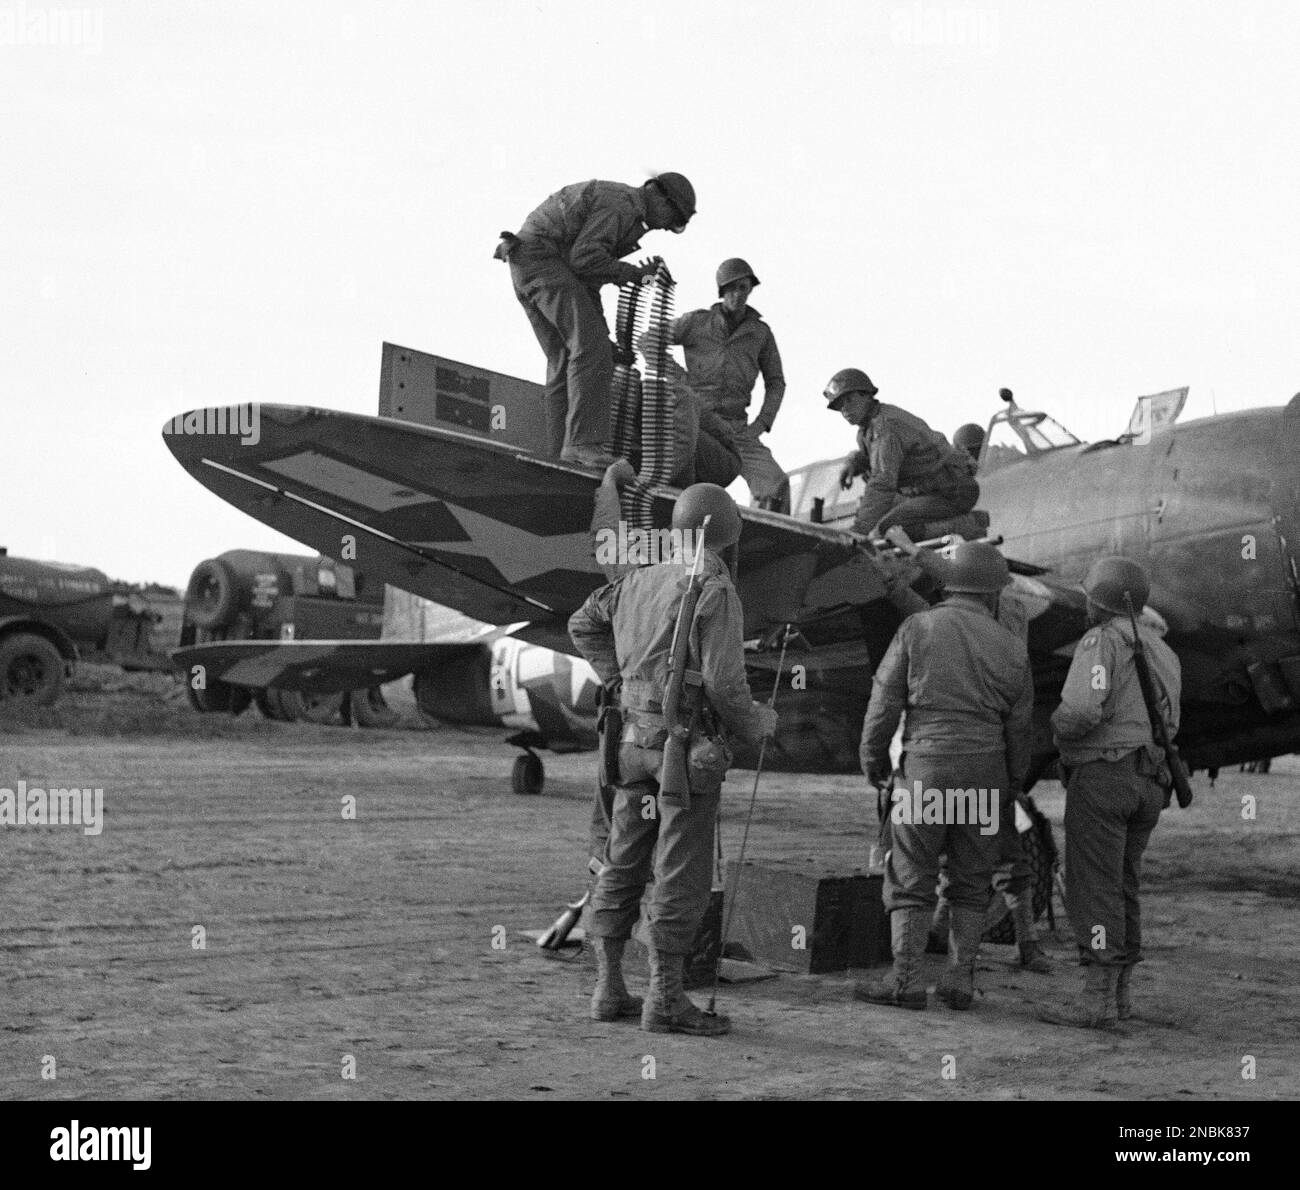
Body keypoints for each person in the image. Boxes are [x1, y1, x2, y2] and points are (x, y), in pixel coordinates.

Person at [568, 483, 776, 1035]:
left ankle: (608, 988)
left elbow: (581, 623)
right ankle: (664, 1000)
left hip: (629, 746)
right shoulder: (713, 586)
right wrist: (755, 726)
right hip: (682, 753)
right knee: (680, 870)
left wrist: (621, 681)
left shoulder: (637, 578)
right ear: (730, 533)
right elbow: (727, 684)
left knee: (623, 857)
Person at [856, 541, 1033, 1011]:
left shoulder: (918, 627)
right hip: (986, 774)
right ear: (993, 594)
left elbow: (884, 701)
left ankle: (907, 981)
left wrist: (873, 757)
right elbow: (1019, 727)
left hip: (926, 771)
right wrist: (1012, 782)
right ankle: (960, 977)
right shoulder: (1013, 648)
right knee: (972, 880)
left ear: (948, 584)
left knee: (911, 872)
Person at [884, 525, 1051, 973]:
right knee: (987, 864)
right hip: (995, 766)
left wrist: (903, 560)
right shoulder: (1008, 615)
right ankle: (978, 962)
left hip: (937, 759)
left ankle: (908, 973)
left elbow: (940, 620)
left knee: (916, 863)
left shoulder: (992, 615)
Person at [1040, 557, 1180, 1029]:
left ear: (1098, 601)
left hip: (1104, 779)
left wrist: (1056, 732)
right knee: (1123, 885)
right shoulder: (1164, 650)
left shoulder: (1102, 641)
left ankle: (1096, 998)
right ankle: (1120, 996)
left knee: (1092, 887)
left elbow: (1081, 708)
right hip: (1149, 783)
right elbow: (1171, 722)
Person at [494, 173, 697, 468]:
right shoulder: (622, 207)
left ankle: (561, 451)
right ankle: (582, 445)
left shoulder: (621, 206)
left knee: (565, 357)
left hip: (528, 263)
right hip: (542, 260)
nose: (666, 225)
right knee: (589, 350)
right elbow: (584, 259)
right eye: (672, 215)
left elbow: (585, 282)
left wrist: (604, 336)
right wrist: (633, 274)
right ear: (658, 196)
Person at [668, 258, 789, 510]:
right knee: (683, 484)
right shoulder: (696, 322)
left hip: (737, 428)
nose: (736, 294)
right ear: (721, 292)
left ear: (750, 289)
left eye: (742, 287)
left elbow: (776, 382)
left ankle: (759, 546)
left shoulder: (760, 333)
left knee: (775, 484)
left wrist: (762, 423)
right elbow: (649, 340)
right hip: (698, 420)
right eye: (730, 288)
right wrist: (678, 376)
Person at [824, 368, 979, 539]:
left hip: (952, 492)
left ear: (867, 395)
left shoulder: (886, 426)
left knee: (890, 529)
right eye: (839, 405)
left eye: (849, 400)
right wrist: (856, 462)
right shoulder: (870, 426)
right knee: (882, 522)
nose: (844, 409)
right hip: (930, 491)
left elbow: (882, 482)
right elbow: (880, 457)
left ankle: (964, 526)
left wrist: (859, 530)